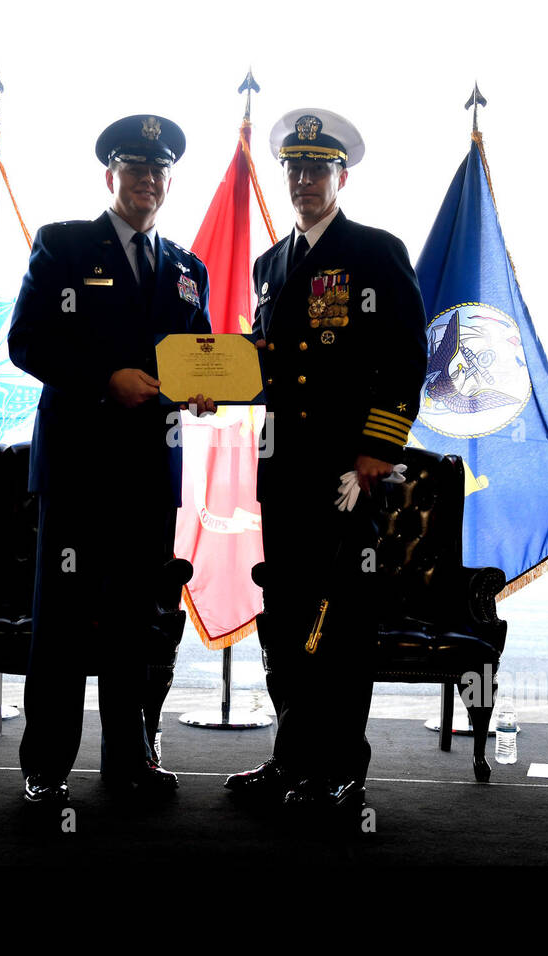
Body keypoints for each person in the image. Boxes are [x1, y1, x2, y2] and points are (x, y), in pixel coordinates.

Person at [7, 114, 213, 806]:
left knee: (133, 624)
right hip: (77, 470)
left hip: (150, 475)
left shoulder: (188, 268)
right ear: (111, 176)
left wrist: (202, 393)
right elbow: (27, 343)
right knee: (61, 621)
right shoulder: (64, 247)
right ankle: (46, 767)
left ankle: (129, 760)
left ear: (168, 181)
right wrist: (106, 377)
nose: (146, 181)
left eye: (157, 171)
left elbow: (198, 354)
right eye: (134, 167)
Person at [224, 109, 427, 809]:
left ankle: (340, 769)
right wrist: (209, 388)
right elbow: (268, 366)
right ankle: (292, 760)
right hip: (284, 472)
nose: (305, 180)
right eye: (295, 169)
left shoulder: (376, 251)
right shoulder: (271, 264)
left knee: (339, 624)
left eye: (318, 169)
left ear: (341, 176)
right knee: (285, 621)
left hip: (347, 474)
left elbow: (407, 358)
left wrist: (379, 446)